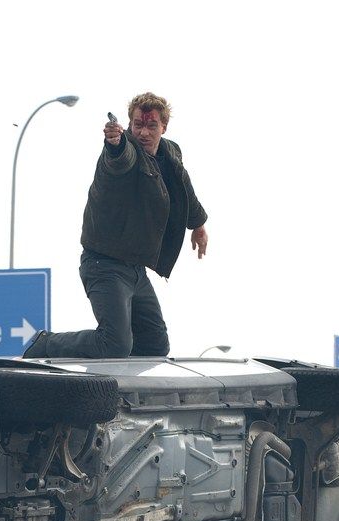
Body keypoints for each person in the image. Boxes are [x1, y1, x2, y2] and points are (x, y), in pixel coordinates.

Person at [23, 92, 208, 358]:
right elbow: (120, 158)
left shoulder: (170, 152)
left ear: (163, 127)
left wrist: (198, 223)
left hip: (135, 270)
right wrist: (115, 142)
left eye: (151, 126)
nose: (143, 132)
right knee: (115, 344)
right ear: (129, 125)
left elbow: (182, 187)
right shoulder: (126, 151)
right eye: (138, 125)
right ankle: (44, 344)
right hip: (104, 266)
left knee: (155, 345)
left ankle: (123, 391)